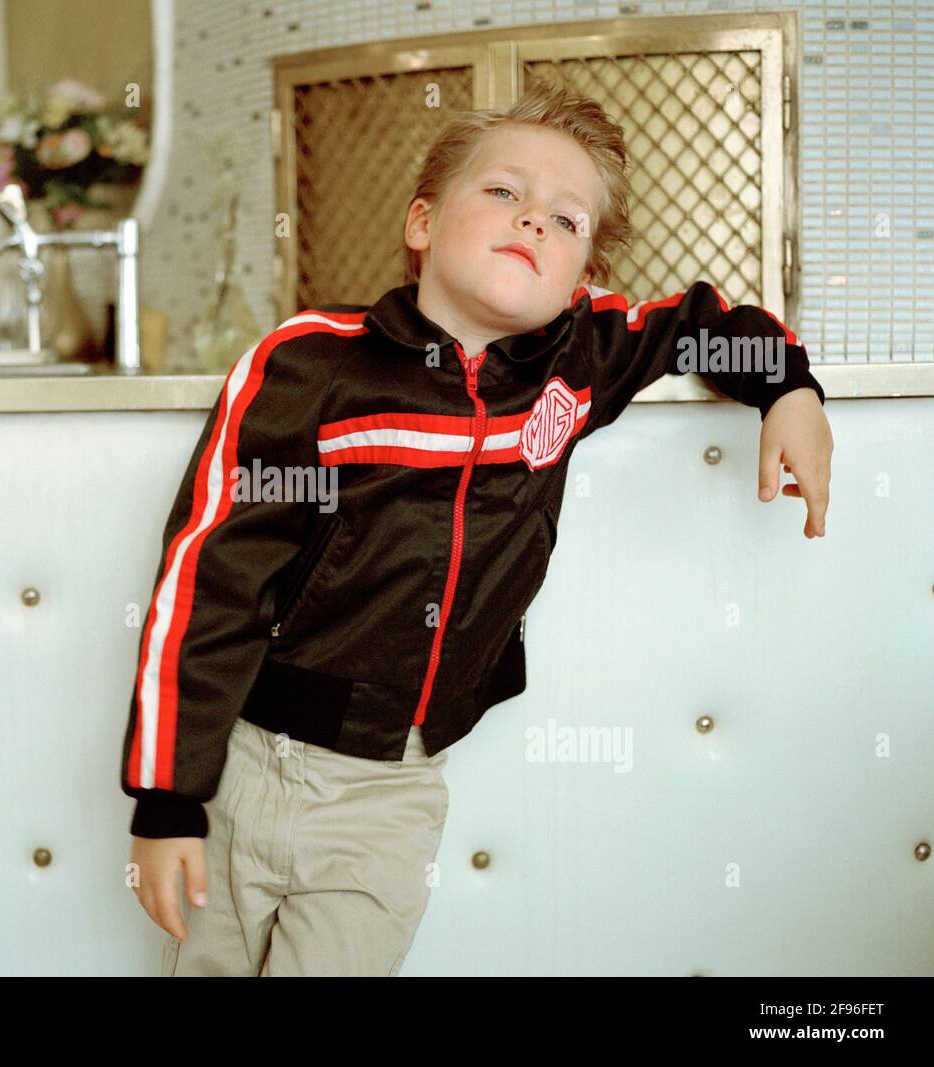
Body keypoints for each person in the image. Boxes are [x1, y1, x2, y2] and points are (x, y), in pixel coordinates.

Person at [121, 80, 833, 976]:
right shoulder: (308, 362)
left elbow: (700, 324)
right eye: (503, 192)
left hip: (392, 792)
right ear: (422, 222)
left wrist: (790, 387)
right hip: (246, 766)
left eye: (567, 219)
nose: (534, 219)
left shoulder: (579, 364)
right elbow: (207, 577)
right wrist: (166, 798)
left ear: (583, 280)